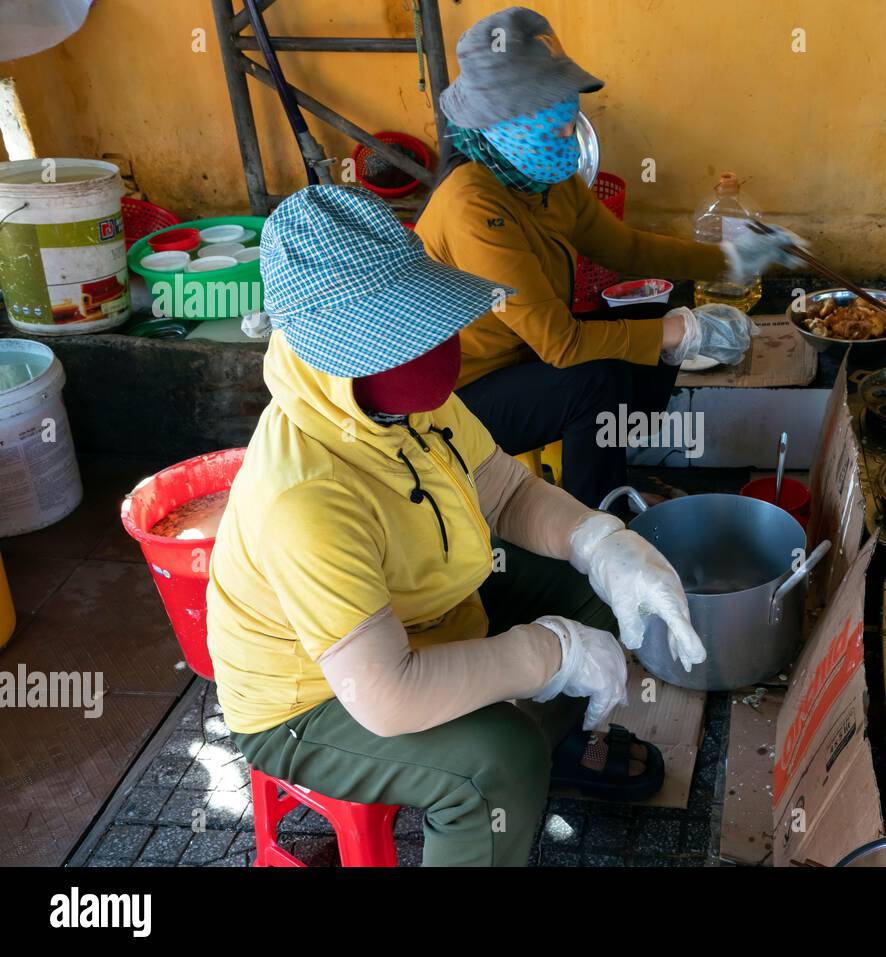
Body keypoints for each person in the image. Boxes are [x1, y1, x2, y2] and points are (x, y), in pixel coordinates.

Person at [206, 185, 708, 866]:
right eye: (403, 332)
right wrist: (547, 652)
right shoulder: (305, 498)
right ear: (335, 352)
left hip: (424, 606)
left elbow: (506, 493)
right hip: (318, 695)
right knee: (489, 766)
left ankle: (553, 752)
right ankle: (513, 773)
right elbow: (386, 694)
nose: (437, 346)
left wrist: (603, 542)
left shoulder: (406, 403)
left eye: (425, 318)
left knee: (590, 590)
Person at [417, 6, 805, 506]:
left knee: (649, 321)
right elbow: (560, 345)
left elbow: (624, 247)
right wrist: (679, 333)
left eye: (568, 122)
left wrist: (731, 259)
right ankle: (595, 526)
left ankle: (613, 472)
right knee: (595, 379)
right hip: (457, 399)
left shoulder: (545, 178)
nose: (567, 141)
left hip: (521, 355)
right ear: (502, 127)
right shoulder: (473, 205)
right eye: (551, 127)